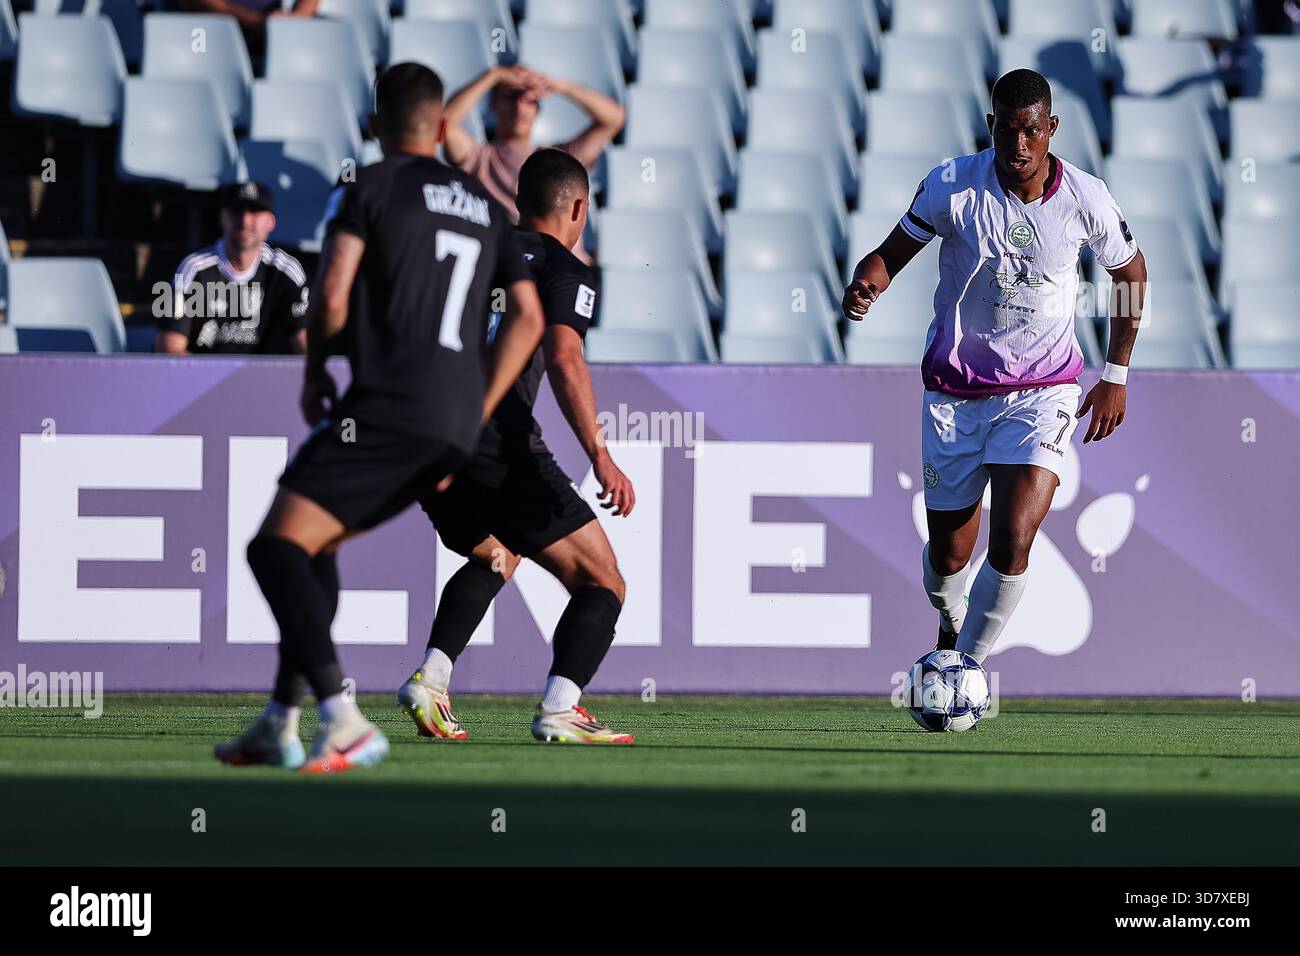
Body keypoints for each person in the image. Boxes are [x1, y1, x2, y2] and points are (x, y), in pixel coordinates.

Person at [213, 62, 545, 774]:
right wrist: (478, 406)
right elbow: (528, 319)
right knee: (314, 544)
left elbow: (330, 301)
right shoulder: (486, 207)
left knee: (273, 550)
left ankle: (342, 718)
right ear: (444, 128)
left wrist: (312, 375)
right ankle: (280, 721)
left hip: (390, 407)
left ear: (374, 123)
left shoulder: (366, 186)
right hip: (456, 423)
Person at [842, 69, 1147, 664]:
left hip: (1043, 391)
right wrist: (867, 284)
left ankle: (964, 667)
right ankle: (949, 619)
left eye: (1031, 132)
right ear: (992, 128)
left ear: (1051, 129)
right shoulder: (951, 186)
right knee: (949, 557)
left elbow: (1130, 275)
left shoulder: (1086, 198)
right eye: (1006, 132)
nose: (1018, 147)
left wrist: (1116, 374)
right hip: (956, 396)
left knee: (1012, 539)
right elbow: (891, 252)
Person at [399, 148, 636, 745]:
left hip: (423, 431)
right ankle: (561, 707)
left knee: (495, 555)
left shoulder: (471, 248)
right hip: (493, 442)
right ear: (579, 207)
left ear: (516, 201)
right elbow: (564, 356)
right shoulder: (564, 269)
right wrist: (601, 456)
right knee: (602, 582)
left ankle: (432, 678)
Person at [441, 64, 625, 223]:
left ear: (538, 109)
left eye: (530, 100)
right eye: (511, 97)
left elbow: (613, 119)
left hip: (563, 260)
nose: (519, 107)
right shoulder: (480, 157)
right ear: (493, 103)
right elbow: (444, 124)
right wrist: (493, 75)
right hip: (514, 258)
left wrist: (560, 86)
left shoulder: (559, 159)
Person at [157, 181, 309, 356]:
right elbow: (169, 350)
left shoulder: (285, 273)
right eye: (237, 211)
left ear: (271, 222)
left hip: (267, 380)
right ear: (222, 218)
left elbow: (306, 349)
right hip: (201, 381)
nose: (245, 220)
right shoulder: (193, 270)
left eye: (255, 211)